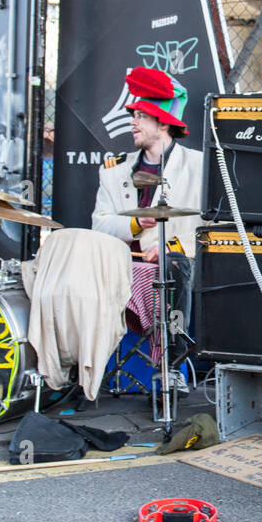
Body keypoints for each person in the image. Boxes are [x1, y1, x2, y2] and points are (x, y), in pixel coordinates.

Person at [91, 67, 203, 354]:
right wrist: (135, 224)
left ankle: (173, 362)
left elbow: (210, 228)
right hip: (120, 263)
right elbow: (99, 225)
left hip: (177, 263)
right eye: (133, 116)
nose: (133, 122)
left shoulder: (200, 167)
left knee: (175, 263)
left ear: (163, 123)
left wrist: (169, 248)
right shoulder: (113, 170)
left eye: (141, 115)